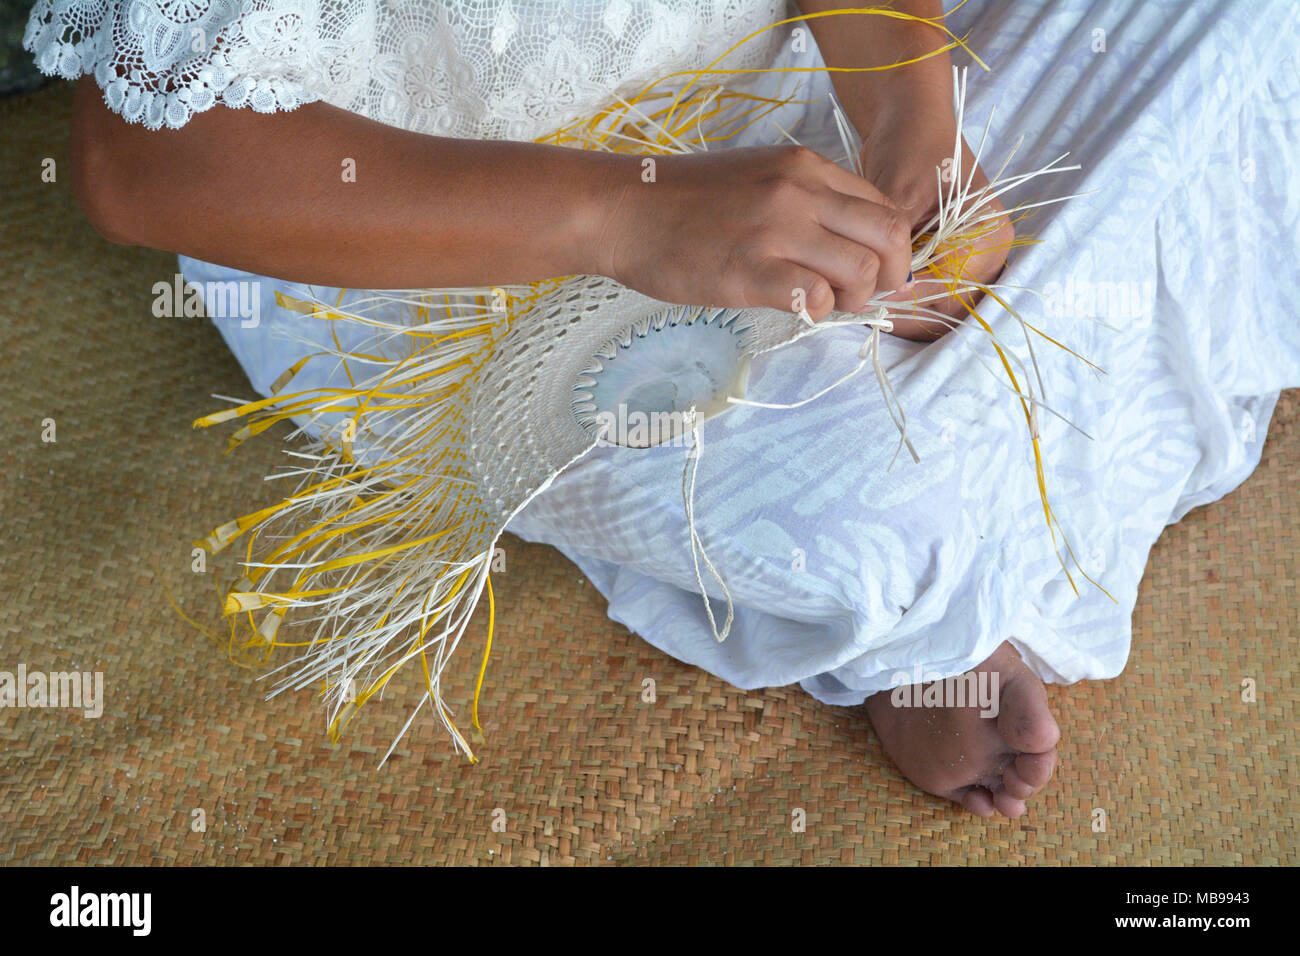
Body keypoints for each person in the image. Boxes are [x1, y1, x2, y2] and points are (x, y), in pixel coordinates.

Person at [34, 0, 1300, 818]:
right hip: (452, 241)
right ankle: (906, 618)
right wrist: (632, 213)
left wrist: (909, 113)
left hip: (768, 76)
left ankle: (973, 513)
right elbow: (141, 159)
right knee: (878, 493)